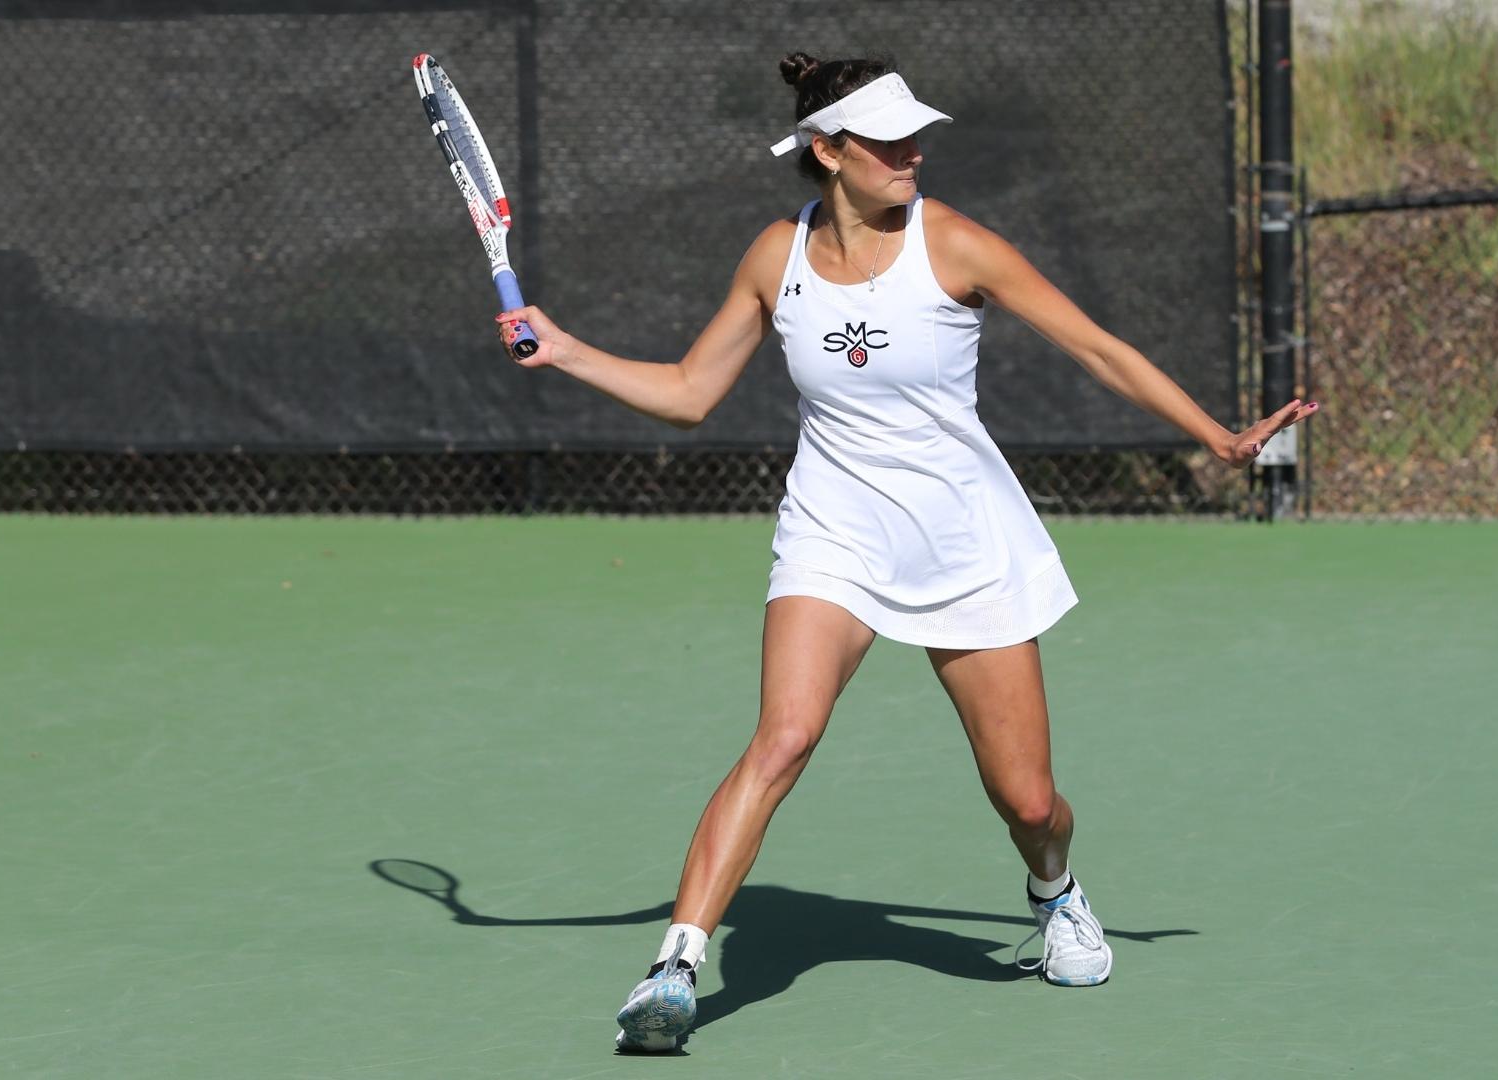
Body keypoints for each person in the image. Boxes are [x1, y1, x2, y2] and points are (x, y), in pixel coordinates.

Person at [496, 53, 1317, 1054]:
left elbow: (1097, 347)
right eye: (886, 141)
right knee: (783, 738)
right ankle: (674, 969)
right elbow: (689, 392)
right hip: (833, 534)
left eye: (913, 135)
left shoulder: (957, 244)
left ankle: (1056, 892)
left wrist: (1218, 438)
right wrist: (566, 350)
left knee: (1029, 802)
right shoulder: (775, 257)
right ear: (827, 151)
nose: (912, 152)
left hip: (963, 544)